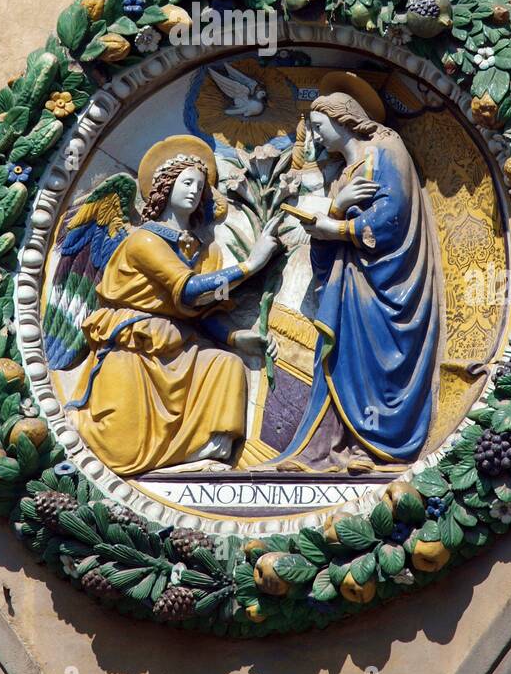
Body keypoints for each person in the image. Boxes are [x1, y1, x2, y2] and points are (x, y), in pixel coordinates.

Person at [68, 147, 281, 476]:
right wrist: (251, 265)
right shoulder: (145, 241)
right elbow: (188, 288)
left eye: (200, 186)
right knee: (120, 445)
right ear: (165, 187)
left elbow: (205, 304)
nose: (195, 191)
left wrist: (237, 338)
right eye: (187, 183)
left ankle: (200, 454)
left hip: (179, 343)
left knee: (226, 365)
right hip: (135, 344)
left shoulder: (200, 251)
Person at [274, 90, 443, 473]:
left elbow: (393, 216)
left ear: (343, 117)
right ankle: (324, 449)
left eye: (318, 127)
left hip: (386, 284)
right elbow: (324, 249)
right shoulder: (344, 178)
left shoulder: (386, 148)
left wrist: (338, 226)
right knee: (338, 355)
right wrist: (332, 214)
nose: (315, 138)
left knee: (377, 357)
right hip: (345, 284)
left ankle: (374, 445)